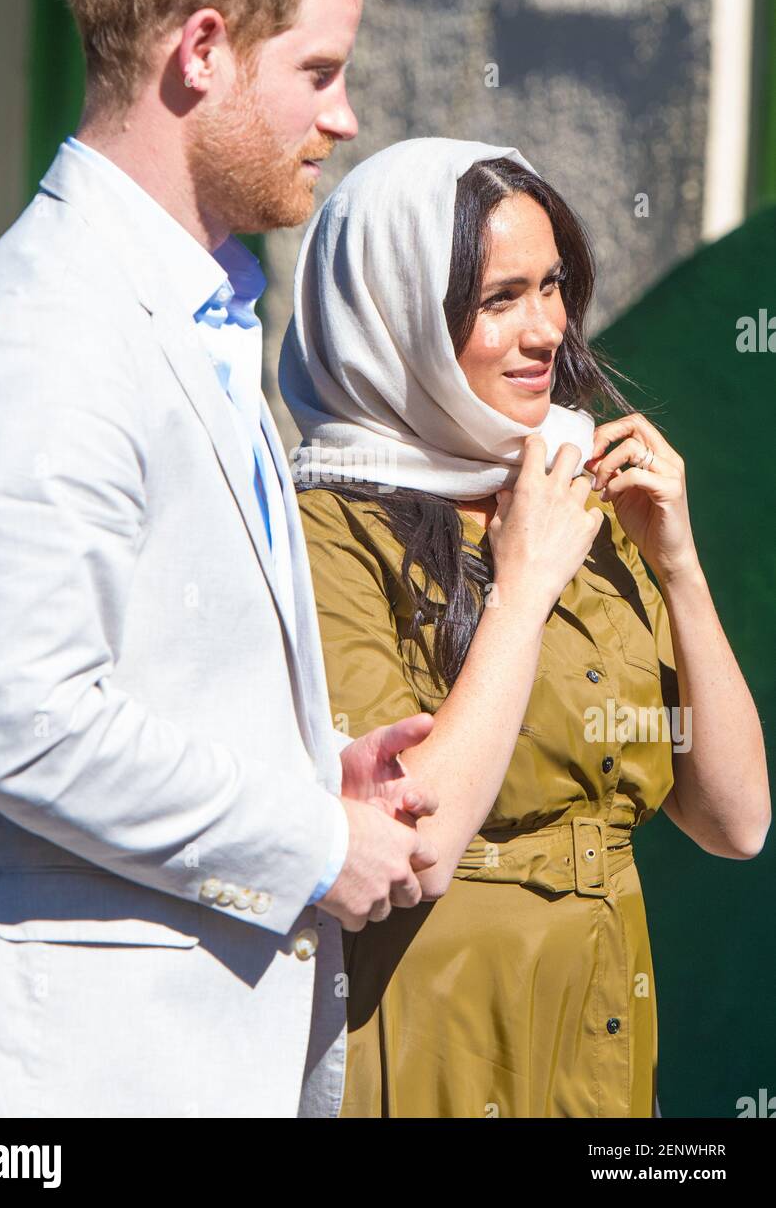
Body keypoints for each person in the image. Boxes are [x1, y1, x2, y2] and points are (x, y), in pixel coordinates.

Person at [0, 0, 441, 1120]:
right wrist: (314, 845)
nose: (346, 116)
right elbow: (28, 723)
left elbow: (159, 674)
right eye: (317, 71)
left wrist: (315, 771)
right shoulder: (47, 327)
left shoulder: (195, 309)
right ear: (201, 50)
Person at [280, 136, 770, 1118]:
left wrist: (676, 567)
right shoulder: (323, 526)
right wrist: (523, 584)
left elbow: (735, 819)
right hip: (428, 1021)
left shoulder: (567, 490)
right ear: (399, 316)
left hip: (599, 1020)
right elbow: (407, 832)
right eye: (499, 298)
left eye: (553, 287)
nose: (545, 328)